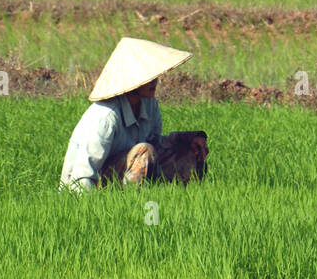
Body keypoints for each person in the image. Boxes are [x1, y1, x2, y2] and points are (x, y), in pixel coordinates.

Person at [59, 37, 208, 193]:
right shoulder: (105, 117)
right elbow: (82, 175)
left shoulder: (150, 105)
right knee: (143, 151)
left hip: (129, 171)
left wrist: (188, 139)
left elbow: (157, 146)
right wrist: (84, 209)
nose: (154, 81)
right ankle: (131, 205)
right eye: (147, 78)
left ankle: (179, 201)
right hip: (95, 182)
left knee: (189, 152)